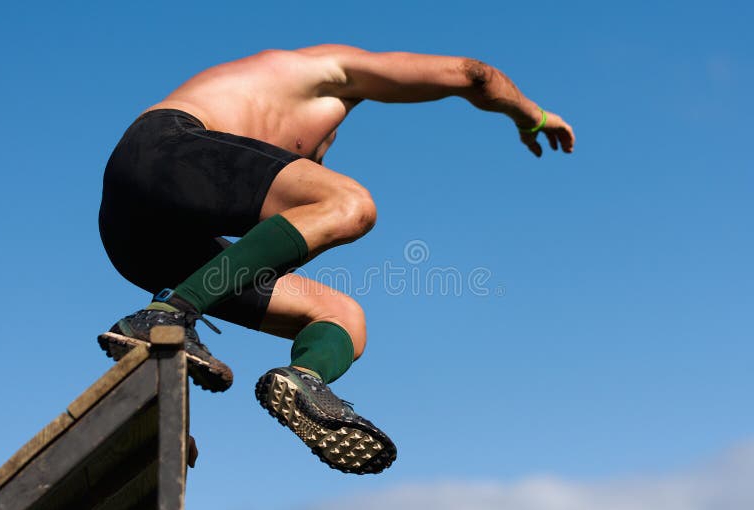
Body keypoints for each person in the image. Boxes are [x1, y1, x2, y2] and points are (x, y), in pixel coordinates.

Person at [98, 44, 575, 475]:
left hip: (142, 241)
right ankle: (171, 315)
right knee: (351, 204)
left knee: (341, 315)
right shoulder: (327, 69)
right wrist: (531, 116)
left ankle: (299, 383)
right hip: (161, 152)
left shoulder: (298, 126)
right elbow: (473, 73)